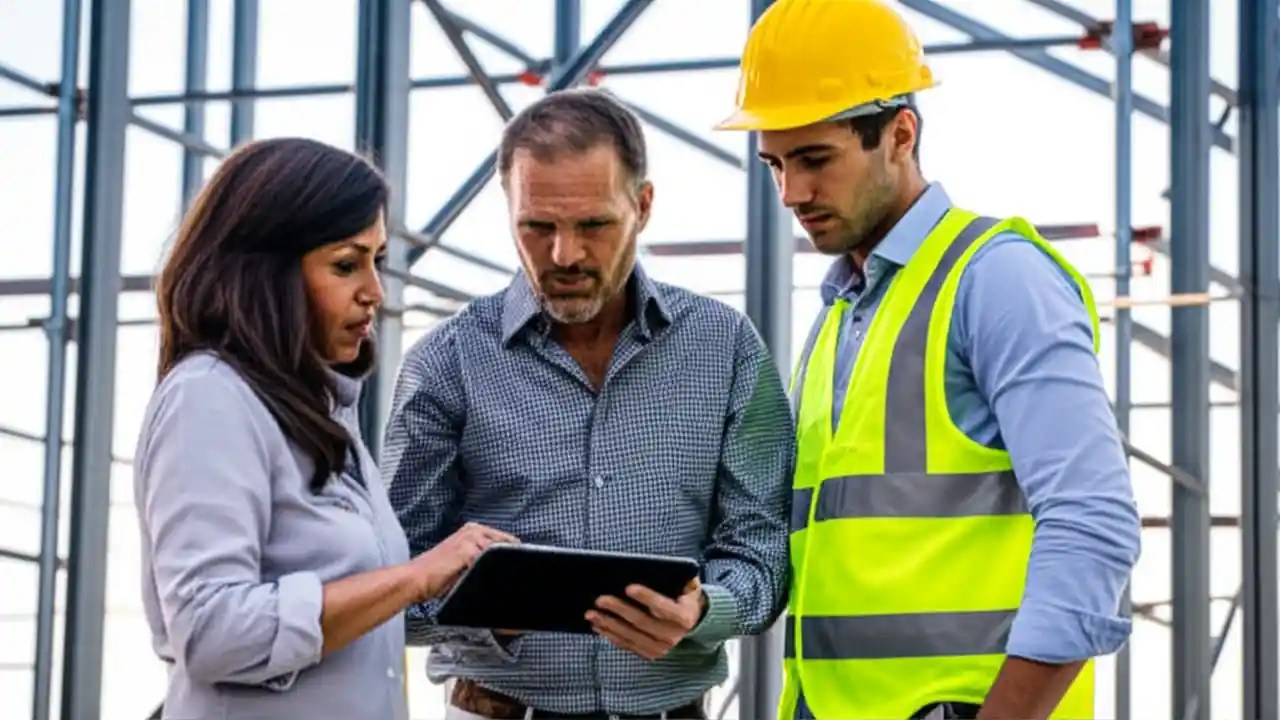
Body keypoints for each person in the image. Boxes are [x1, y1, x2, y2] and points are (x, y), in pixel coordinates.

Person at [712, 1, 1142, 719]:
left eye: (816, 159)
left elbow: (1093, 524)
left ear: (900, 134)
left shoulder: (996, 280)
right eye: (776, 164)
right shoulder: (839, 319)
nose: (793, 193)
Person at [380, 87, 796, 720]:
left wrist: (703, 611)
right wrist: (484, 611)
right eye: (537, 226)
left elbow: (761, 554)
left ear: (643, 206)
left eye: (593, 225)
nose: (564, 255)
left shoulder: (725, 347)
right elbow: (390, 586)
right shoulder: (447, 362)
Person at [132, 137, 515, 720]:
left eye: (377, 260)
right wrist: (414, 578)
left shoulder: (321, 413)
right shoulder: (208, 398)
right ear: (267, 272)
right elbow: (210, 631)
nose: (374, 291)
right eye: (346, 264)